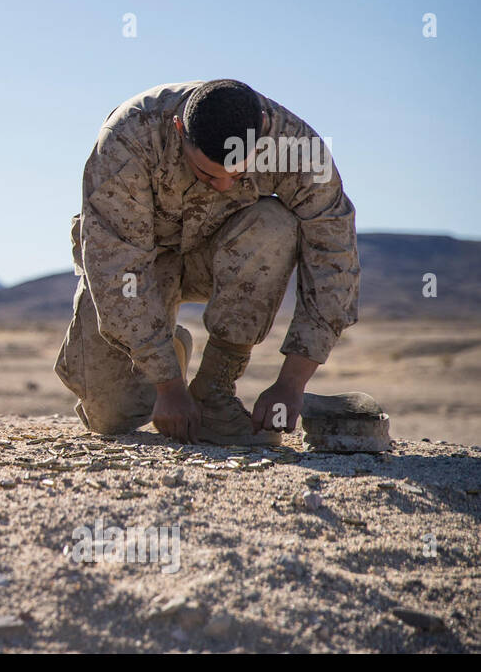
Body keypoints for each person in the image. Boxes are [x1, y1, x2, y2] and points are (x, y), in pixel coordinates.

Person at [54, 79, 359, 445]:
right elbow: (117, 270)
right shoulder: (127, 138)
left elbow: (334, 261)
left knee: (275, 226)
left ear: (263, 131)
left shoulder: (296, 149)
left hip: (220, 257)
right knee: (113, 417)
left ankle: (214, 390)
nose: (226, 186)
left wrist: (291, 383)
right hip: (145, 265)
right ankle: (171, 350)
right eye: (209, 174)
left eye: (238, 174)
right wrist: (166, 384)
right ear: (179, 130)